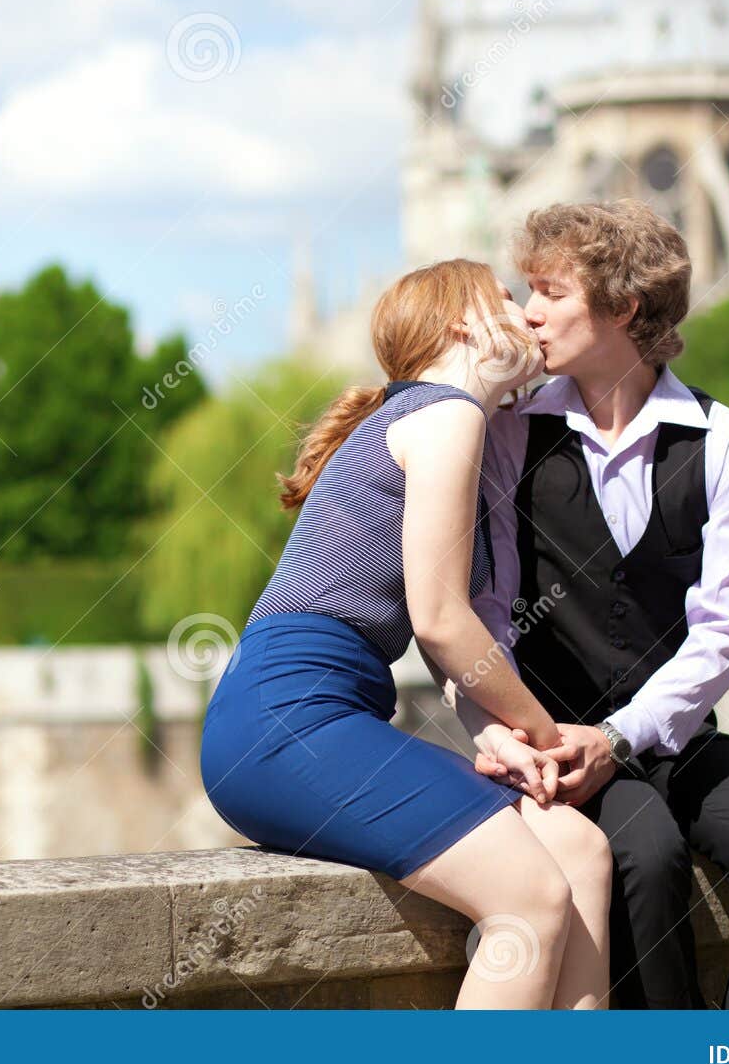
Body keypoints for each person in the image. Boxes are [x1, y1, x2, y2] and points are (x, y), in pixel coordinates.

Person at [465, 201, 729, 1009]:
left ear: (623, 305)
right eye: (525, 288)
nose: (526, 311)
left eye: (550, 291)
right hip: (558, 744)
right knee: (646, 854)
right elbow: (490, 607)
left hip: (674, 737)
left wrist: (621, 734)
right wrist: (521, 734)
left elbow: (725, 634)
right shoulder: (508, 437)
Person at [201, 259, 612, 1009]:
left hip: (284, 717)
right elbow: (442, 621)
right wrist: (546, 733)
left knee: (580, 852)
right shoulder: (445, 414)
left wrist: (496, 733)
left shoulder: (434, 420)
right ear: (463, 323)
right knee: (527, 897)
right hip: (287, 720)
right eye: (505, 300)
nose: (526, 314)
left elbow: (447, 651)